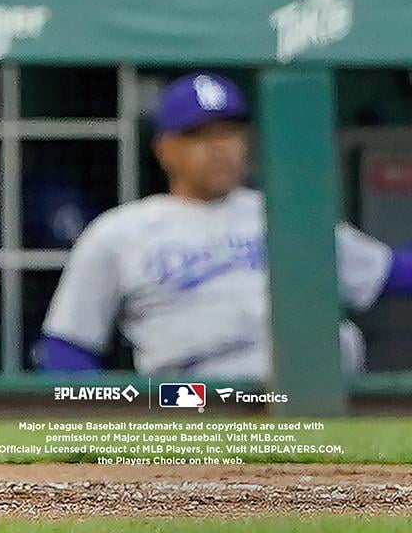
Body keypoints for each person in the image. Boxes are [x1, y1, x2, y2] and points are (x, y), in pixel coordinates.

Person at [39, 72, 412, 380]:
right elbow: (67, 345)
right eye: (199, 135)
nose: (219, 148)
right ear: (164, 150)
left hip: (312, 390)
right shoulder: (118, 233)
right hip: (194, 394)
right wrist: (99, 421)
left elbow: (388, 273)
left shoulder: (286, 214)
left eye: (229, 132)